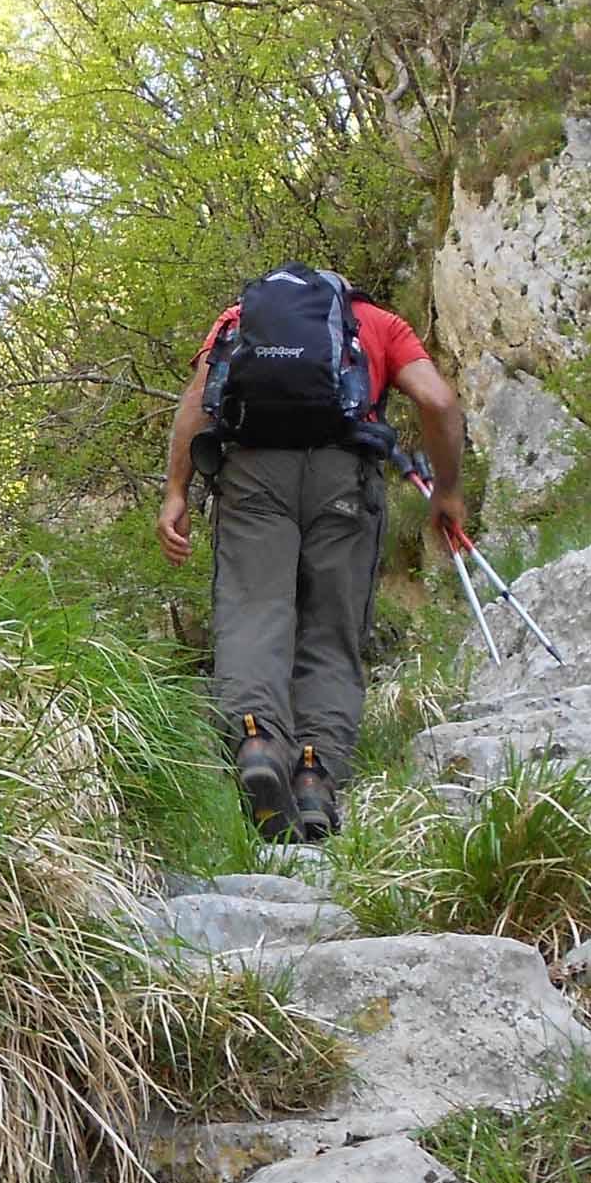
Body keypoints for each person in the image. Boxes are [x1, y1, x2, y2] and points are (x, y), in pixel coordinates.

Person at [157, 267, 464, 842]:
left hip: (251, 475)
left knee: (254, 612)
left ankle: (256, 742)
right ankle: (315, 779)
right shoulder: (378, 324)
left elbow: (197, 401)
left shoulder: (238, 321)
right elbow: (438, 400)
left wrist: (176, 493)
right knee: (331, 631)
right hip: (343, 481)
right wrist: (447, 490)